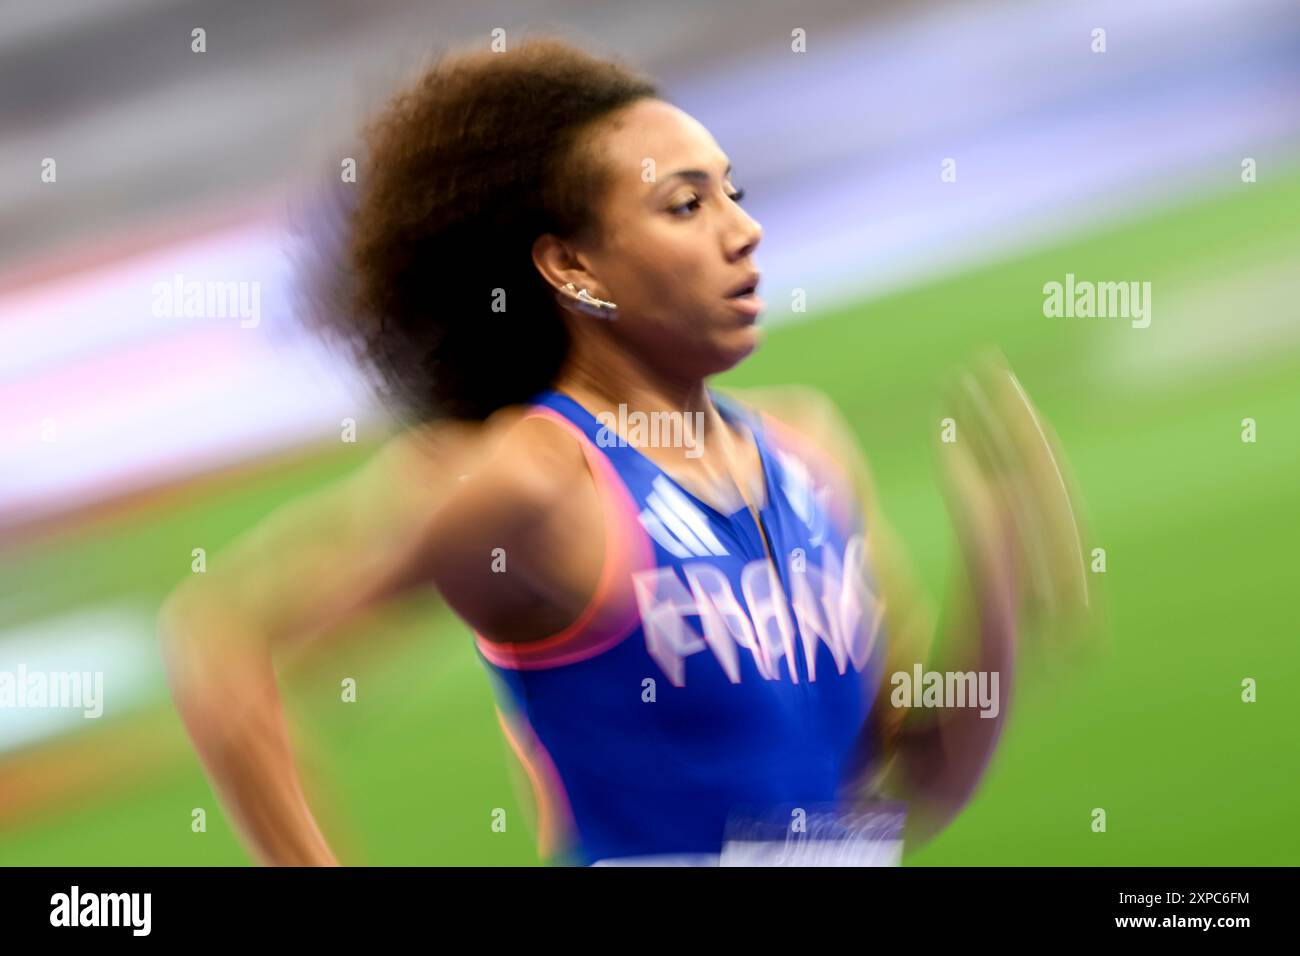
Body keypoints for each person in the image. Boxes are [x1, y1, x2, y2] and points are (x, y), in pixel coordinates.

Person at [159, 36, 1088, 866]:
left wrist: (998, 590)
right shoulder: (537, 479)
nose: (743, 228)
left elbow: (917, 782)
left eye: (734, 191)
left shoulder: (807, 451)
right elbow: (225, 643)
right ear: (573, 268)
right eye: (685, 205)